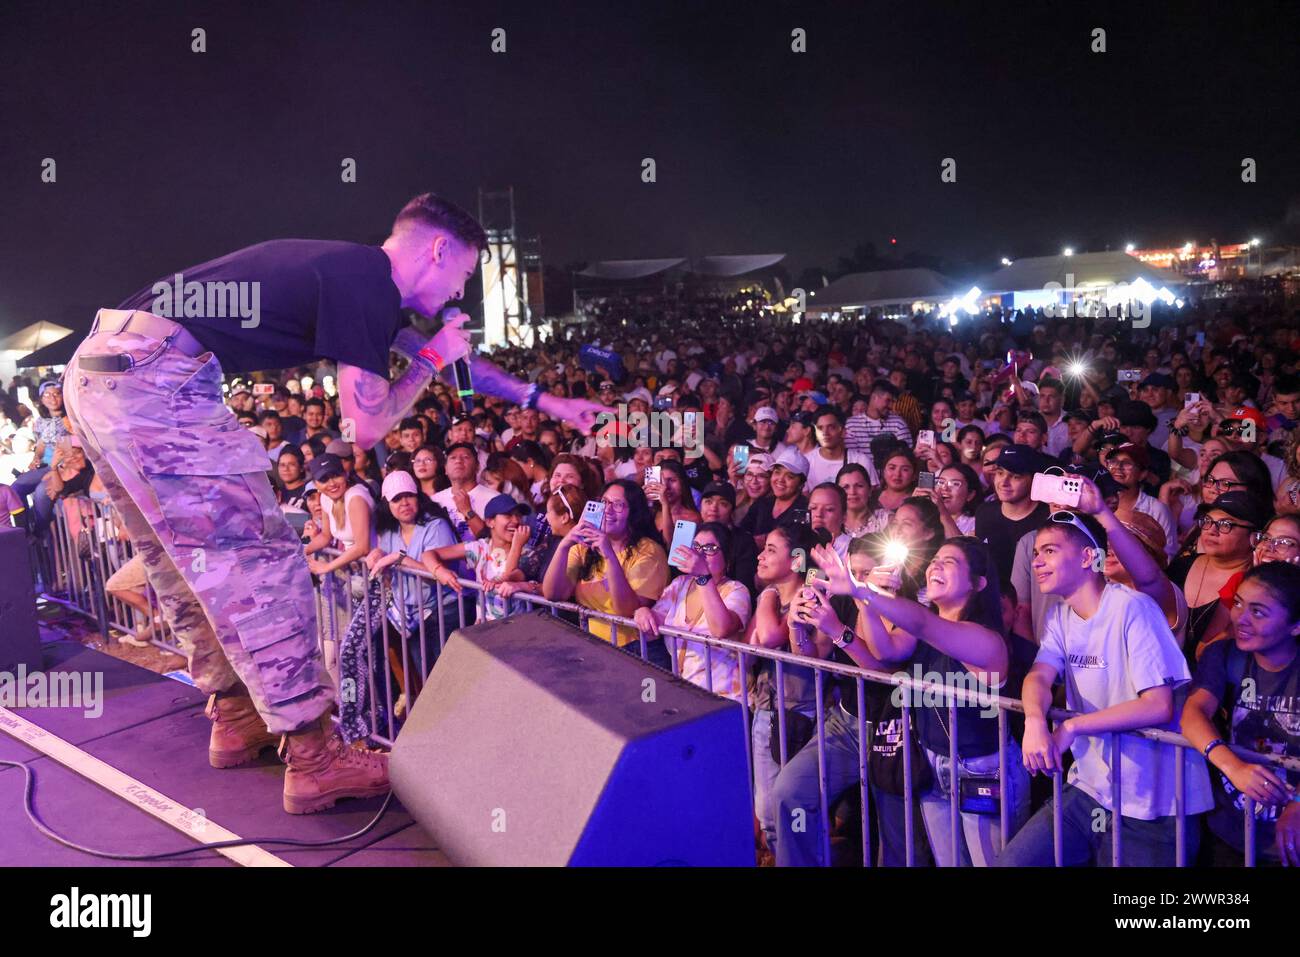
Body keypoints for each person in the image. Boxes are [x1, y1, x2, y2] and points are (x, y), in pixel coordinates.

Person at [63, 192, 600, 813]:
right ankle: (315, 759)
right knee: (260, 567)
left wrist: (548, 401)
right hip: (154, 382)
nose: (461, 293)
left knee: (186, 566)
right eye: (465, 274)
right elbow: (365, 428)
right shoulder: (367, 284)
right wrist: (431, 358)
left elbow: (455, 363)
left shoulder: (351, 276)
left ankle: (237, 716)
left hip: (102, 374)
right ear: (438, 250)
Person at [996, 511, 1214, 867]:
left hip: (1154, 801)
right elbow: (1039, 675)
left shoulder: (1133, 607)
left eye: (1049, 550)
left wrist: (1072, 725)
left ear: (1087, 557)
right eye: (1036, 553)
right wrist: (1035, 722)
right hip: (1091, 788)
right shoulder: (1059, 617)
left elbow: (1158, 706)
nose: (1037, 562)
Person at [810, 537, 1032, 866]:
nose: (935, 565)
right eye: (934, 559)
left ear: (978, 583)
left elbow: (924, 623)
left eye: (951, 561)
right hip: (932, 763)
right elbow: (884, 654)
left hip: (982, 771)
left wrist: (862, 590)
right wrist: (865, 604)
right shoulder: (921, 628)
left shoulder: (987, 640)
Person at [1182, 562, 1300, 867]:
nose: (1240, 620)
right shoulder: (1223, 654)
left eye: (1258, 611)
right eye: (1238, 604)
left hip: (1291, 838)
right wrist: (1233, 767)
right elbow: (1193, 713)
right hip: (1231, 831)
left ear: (1295, 625)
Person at [337, 470, 459, 741]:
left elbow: (438, 573)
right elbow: (387, 562)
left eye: (408, 497)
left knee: (438, 675)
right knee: (415, 670)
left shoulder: (435, 525)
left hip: (442, 607)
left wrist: (398, 558)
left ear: (418, 498)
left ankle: (449, 734)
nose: (404, 503)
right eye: (396, 499)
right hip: (410, 610)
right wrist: (379, 554)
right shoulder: (388, 529)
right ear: (387, 505)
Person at [746, 522, 825, 864]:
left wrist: (765, 595)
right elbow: (747, 651)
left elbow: (767, 638)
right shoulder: (776, 599)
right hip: (768, 707)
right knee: (768, 816)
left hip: (798, 714)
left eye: (771, 550)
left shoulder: (809, 597)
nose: (761, 556)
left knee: (789, 815)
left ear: (795, 560)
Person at [542, 479, 671, 668]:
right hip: (594, 646)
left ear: (633, 513)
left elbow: (626, 612)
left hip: (636, 652)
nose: (608, 510)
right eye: (604, 502)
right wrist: (564, 545)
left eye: (618, 505)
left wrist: (609, 555)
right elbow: (552, 594)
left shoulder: (649, 552)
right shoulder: (584, 547)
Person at [633, 522, 752, 700]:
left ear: (727, 558)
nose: (699, 554)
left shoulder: (737, 590)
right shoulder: (680, 584)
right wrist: (642, 612)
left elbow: (721, 629)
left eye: (710, 548)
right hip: (685, 694)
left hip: (724, 697)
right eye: (696, 547)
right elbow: (652, 628)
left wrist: (703, 576)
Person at [1166, 490, 1269, 666]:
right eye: (1207, 521)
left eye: (1225, 524)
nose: (1212, 530)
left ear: (1254, 538)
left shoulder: (1254, 585)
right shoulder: (1181, 565)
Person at [974, 444, 1051, 583]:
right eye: (1000, 473)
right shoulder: (984, 512)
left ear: (1034, 479)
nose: (1004, 482)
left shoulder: (1048, 518)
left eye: (1015, 476)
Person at [804, 407, 872, 488]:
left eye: (831, 427)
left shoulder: (861, 461)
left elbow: (872, 494)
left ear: (843, 432)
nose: (825, 433)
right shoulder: (806, 462)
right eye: (820, 428)